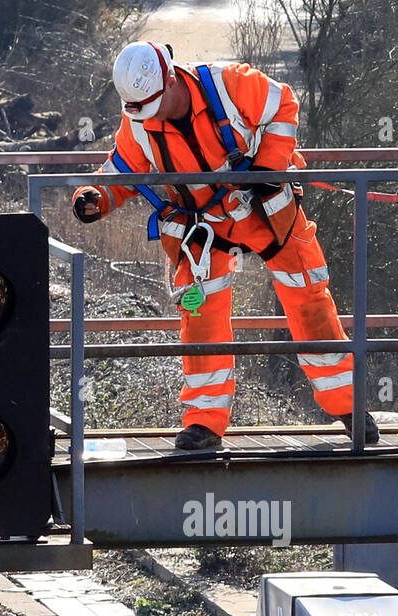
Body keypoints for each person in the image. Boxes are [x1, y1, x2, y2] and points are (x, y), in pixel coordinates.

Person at [72, 41, 379, 451]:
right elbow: (122, 170)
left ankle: (349, 408)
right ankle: (204, 421)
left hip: (267, 212)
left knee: (309, 300)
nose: (150, 116)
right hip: (205, 228)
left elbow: (284, 106)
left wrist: (268, 167)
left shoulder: (229, 83)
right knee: (200, 316)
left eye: (152, 105)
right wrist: (96, 197)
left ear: (170, 78)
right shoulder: (139, 121)